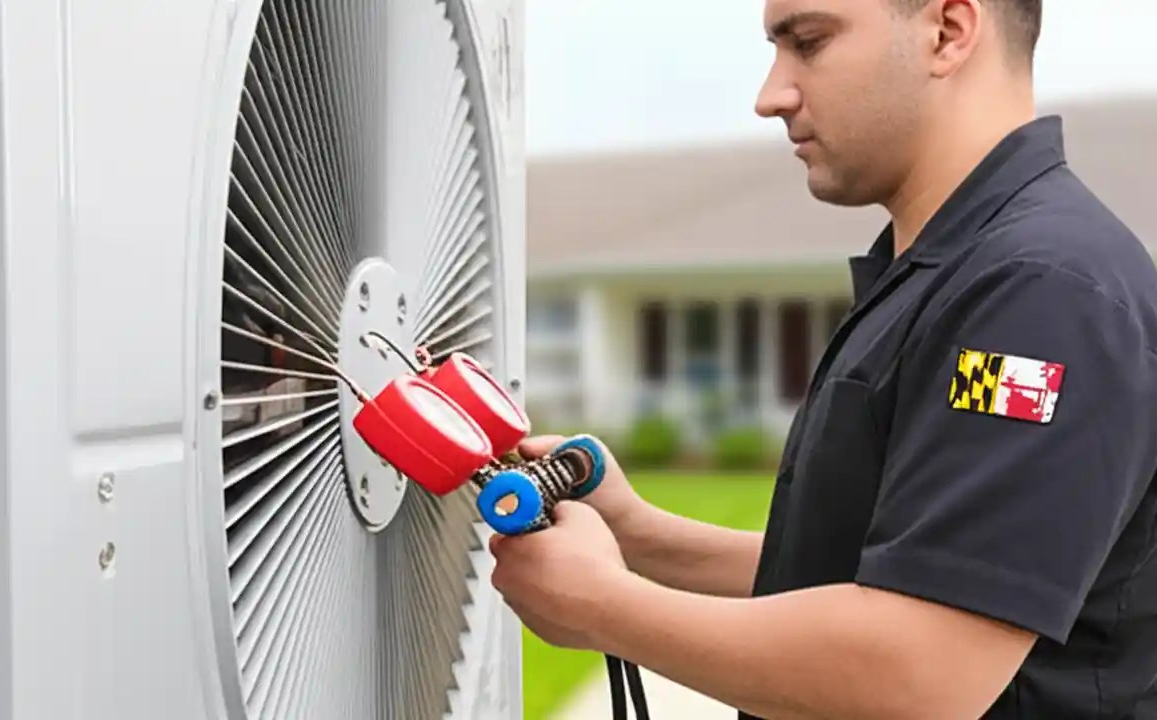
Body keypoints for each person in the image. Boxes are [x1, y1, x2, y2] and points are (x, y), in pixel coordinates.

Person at [489, 1, 1157, 717]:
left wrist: (604, 606)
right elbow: (887, 573)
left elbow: (921, 670)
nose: (770, 94)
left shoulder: (1040, 291)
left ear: (948, 30)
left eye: (808, 42)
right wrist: (642, 537)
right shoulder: (945, 272)